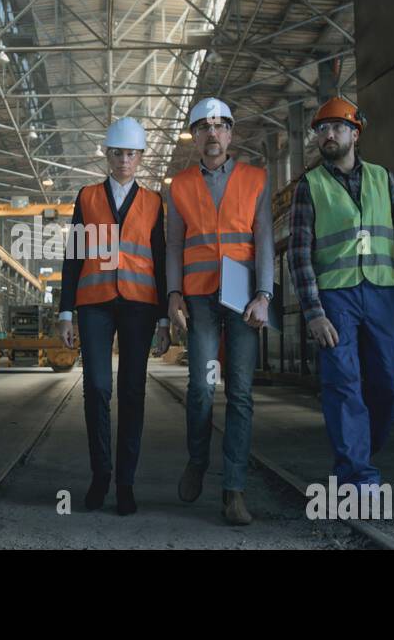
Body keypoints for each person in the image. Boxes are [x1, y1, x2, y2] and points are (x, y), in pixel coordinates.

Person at [287, 96, 394, 492]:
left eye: (337, 127)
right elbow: (299, 254)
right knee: (343, 382)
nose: (328, 134)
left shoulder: (382, 178)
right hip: (336, 301)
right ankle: (356, 473)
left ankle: (360, 449)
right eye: (321, 129)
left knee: (390, 383)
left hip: (382, 295)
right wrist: (314, 313)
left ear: (355, 133)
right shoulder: (310, 186)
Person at [166, 97, 274, 525]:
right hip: (200, 299)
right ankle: (198, 460)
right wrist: (173, 294)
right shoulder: (179, 186)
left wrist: (264, 294)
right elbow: (174, 243)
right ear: (194, 136)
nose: (212, 134)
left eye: (220, 126)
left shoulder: (256, 178)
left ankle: (233, 489)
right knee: (200, 387)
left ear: (231, 133)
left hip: (242, 297)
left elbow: (263, 238)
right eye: (204, 127)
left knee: (241, 393)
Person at [58, 117, 171, 516]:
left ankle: (126, 483)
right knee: (98, 389)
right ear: (107, 155)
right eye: (118, 153)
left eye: (132, 153)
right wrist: (65, 311)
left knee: (132, 392)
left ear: (141, 157)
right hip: (93, 304)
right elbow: (73, 256)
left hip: (140, 304)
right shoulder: (86, 196)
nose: (125, 160)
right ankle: (100, 475)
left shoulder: (155, 202)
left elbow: (159, 260)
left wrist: (163, 320)